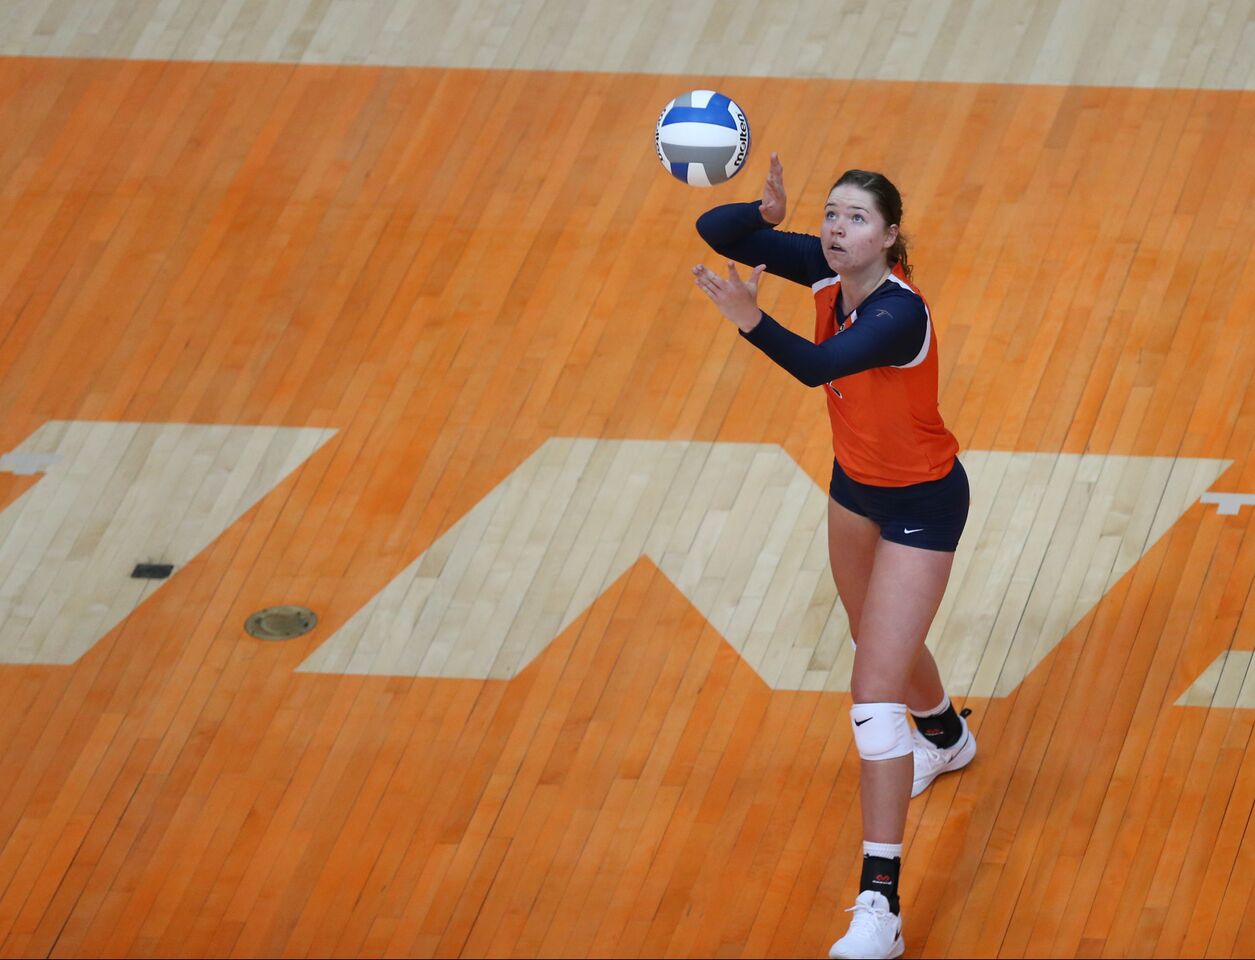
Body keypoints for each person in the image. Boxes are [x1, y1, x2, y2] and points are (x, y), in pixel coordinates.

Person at [692, 154, 976, 960]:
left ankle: (878, 909)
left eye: (855, 217)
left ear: (889, 237)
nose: (835, 228)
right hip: (854, 492)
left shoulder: (897, 314)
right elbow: (716, 229)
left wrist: (751, 318)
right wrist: (762, 209)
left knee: (869, 690)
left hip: (923, 505)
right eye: (829, 214)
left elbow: (817, 367)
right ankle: (947, 737)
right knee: (874, 637)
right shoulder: (821, 264)